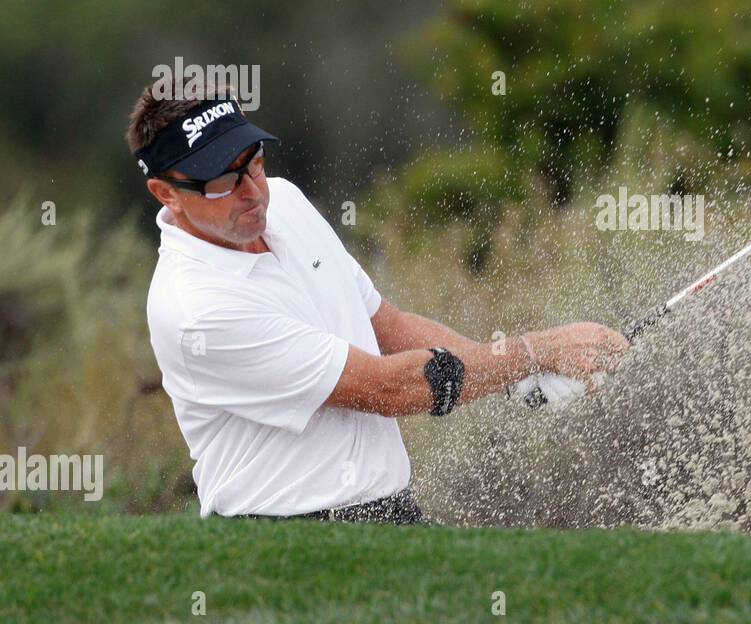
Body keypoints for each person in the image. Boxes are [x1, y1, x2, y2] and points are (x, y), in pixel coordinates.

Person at [125, 84, 628, 524]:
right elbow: (390, 388)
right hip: (283, 537)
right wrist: (535, 352)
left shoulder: (287, 203)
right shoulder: (198, 311)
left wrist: (513, 379)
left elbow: (387, 325)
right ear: (165, 191)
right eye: (221, 181)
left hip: (390, 510)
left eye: (254, 162)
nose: (252, 191)